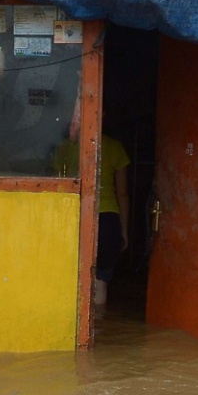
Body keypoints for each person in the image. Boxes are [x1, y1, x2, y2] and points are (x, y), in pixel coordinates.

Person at [53, 118, 132, 312]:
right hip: (107, 219)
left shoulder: (67, 146)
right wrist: (123, 230)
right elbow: (122, 193)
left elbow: (57, 183)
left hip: (75, 216)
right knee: (101, 279)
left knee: (70, 279)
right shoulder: (115, 147)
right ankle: (100, 333)